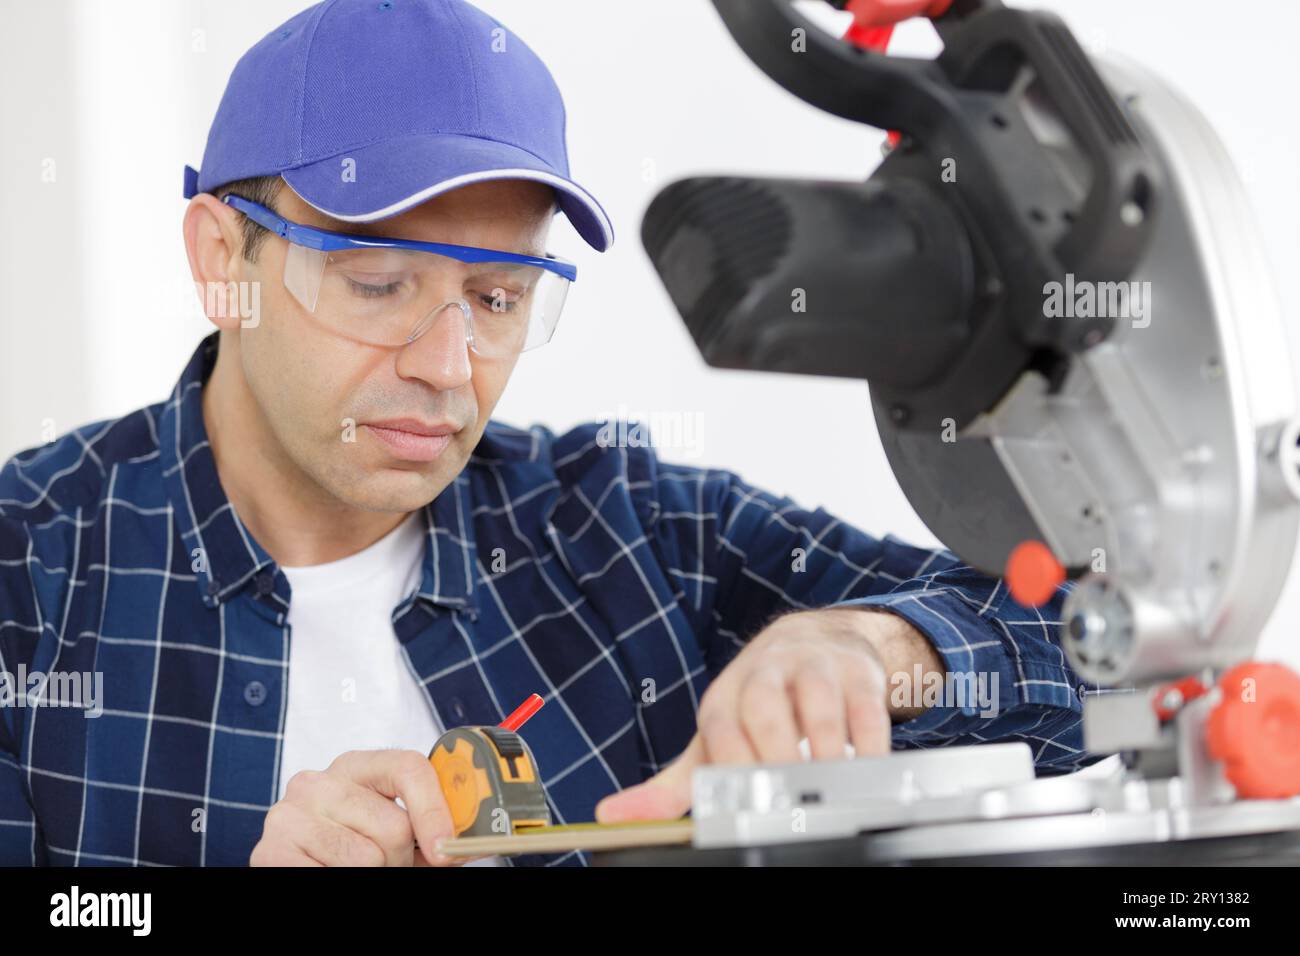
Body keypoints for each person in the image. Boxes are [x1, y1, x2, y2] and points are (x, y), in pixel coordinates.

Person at [0, 0, 1089, 868]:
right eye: (378, 283)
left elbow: (1100, 645)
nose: (446, 364)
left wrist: (877, 650)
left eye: (499, 297)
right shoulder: (25, 573)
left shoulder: (638, 532)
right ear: (218, 259)